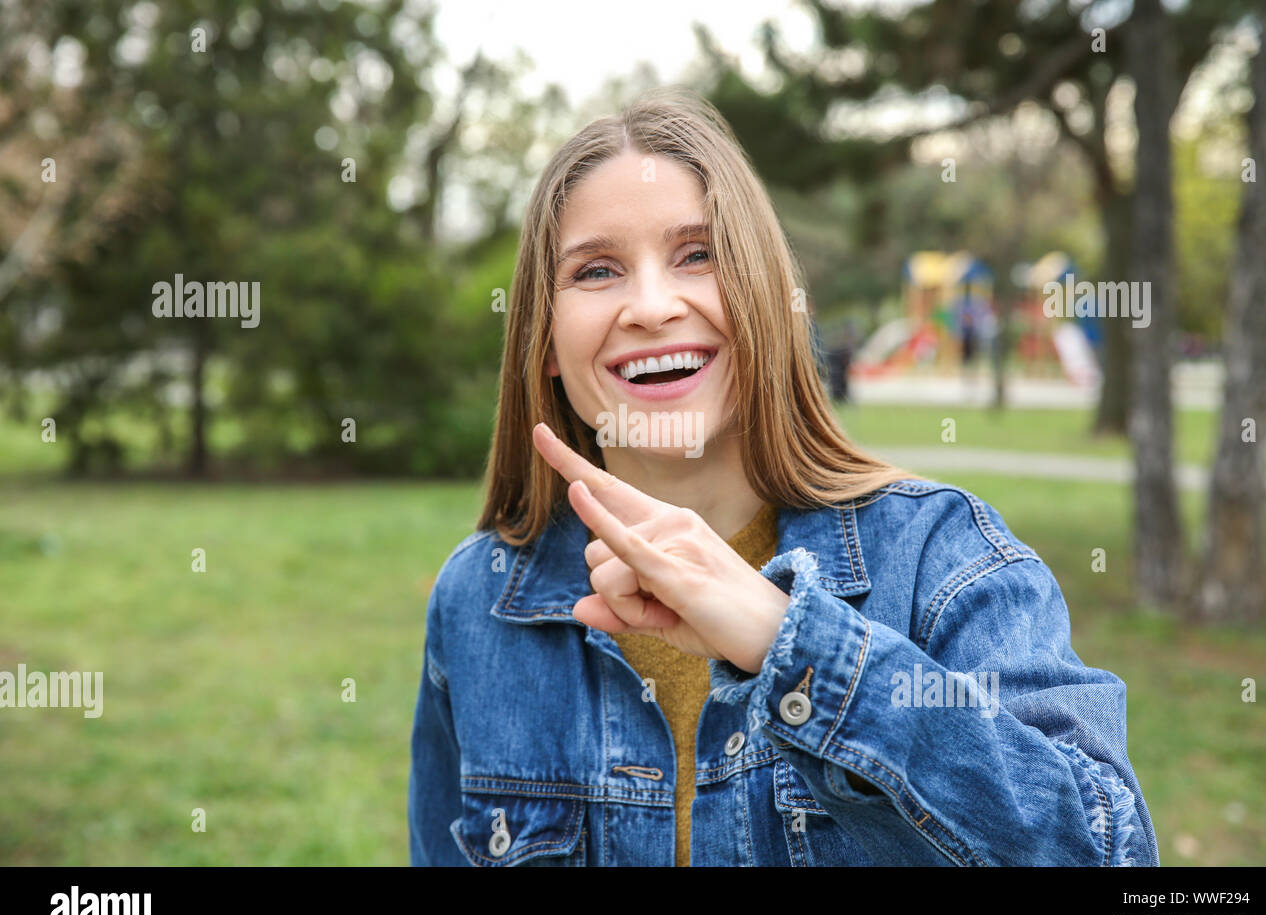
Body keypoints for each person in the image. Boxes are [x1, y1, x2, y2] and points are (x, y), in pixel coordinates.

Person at [408, 87, 1158, 867]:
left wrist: (788, 641)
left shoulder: (945, 561)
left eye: (698, 255)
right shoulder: (477, 600)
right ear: (544, 341)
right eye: (597, 270)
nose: (652, 306)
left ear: (768, 296)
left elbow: (1109, 853)